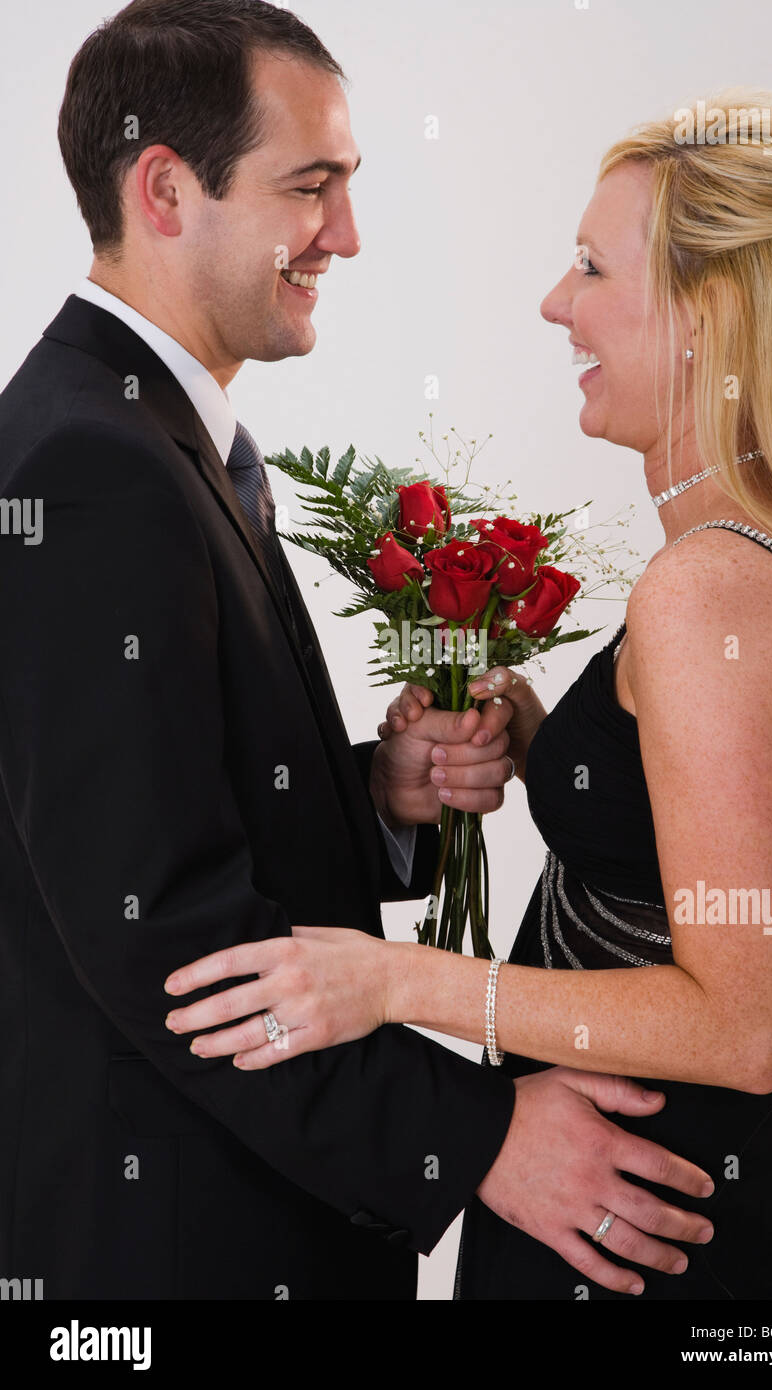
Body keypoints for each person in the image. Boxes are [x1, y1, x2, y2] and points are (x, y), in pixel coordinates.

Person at [0, 0, 713, 1300]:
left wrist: (374, 796)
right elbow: (168, 941)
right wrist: (477, 1133)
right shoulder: (95, 464)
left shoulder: (158, 434)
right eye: (310, 187)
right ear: (166, 189)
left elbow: (159, 811)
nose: (347, 234)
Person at [166, 88, 772, 1299]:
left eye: (591, 266)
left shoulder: (706, 594)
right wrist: (549, 742)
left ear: (714, 313)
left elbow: (746, 1029)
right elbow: (707, 862)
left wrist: (395, 980)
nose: (555, 301)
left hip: (640, 1222)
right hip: (670, 1203)